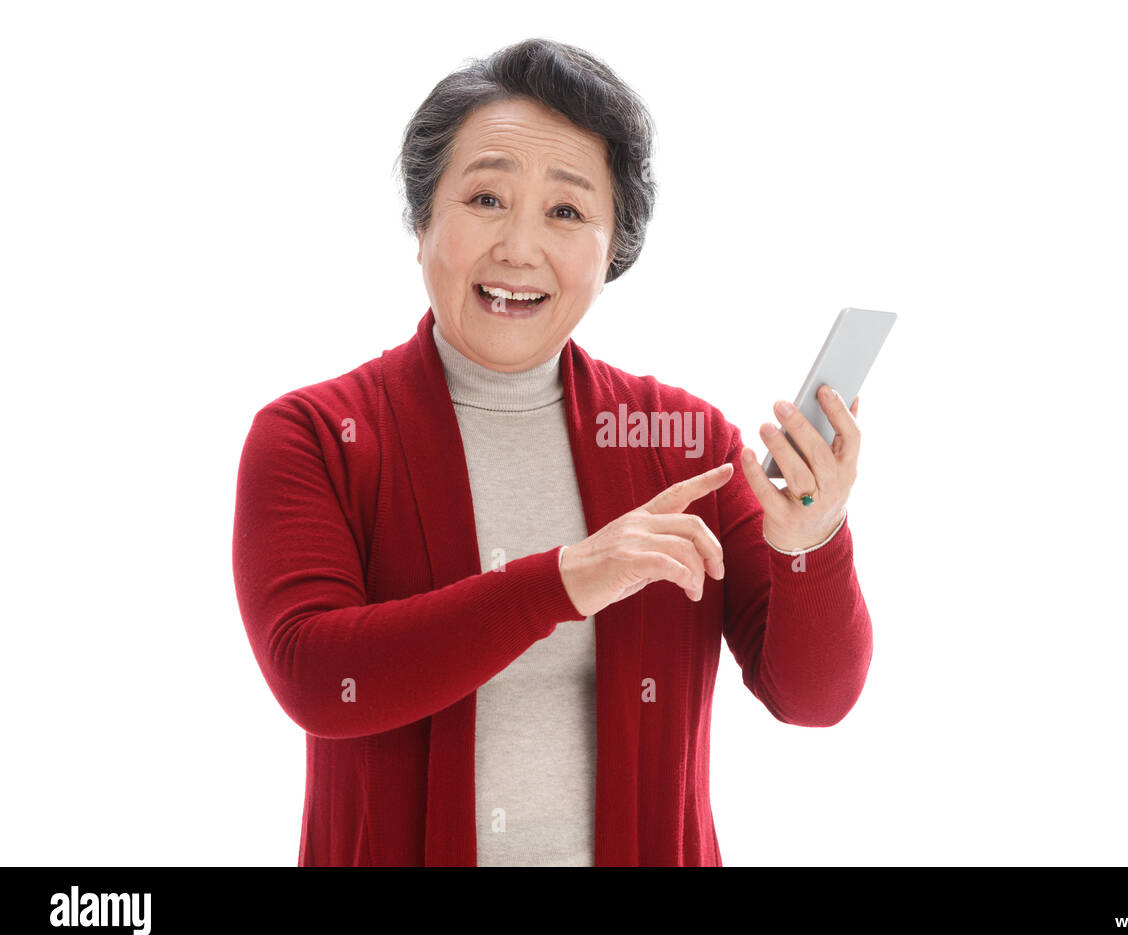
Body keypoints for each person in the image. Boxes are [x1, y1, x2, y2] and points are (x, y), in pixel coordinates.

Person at [232, 37, 872, 866]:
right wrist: (569, 579)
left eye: (566, 212)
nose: (520, 248)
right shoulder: (315, 435)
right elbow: (319, 678)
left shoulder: (682, 445)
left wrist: (809, 545)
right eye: (486, 198)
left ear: (612, 254)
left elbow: (813, 698)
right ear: (422, 220)